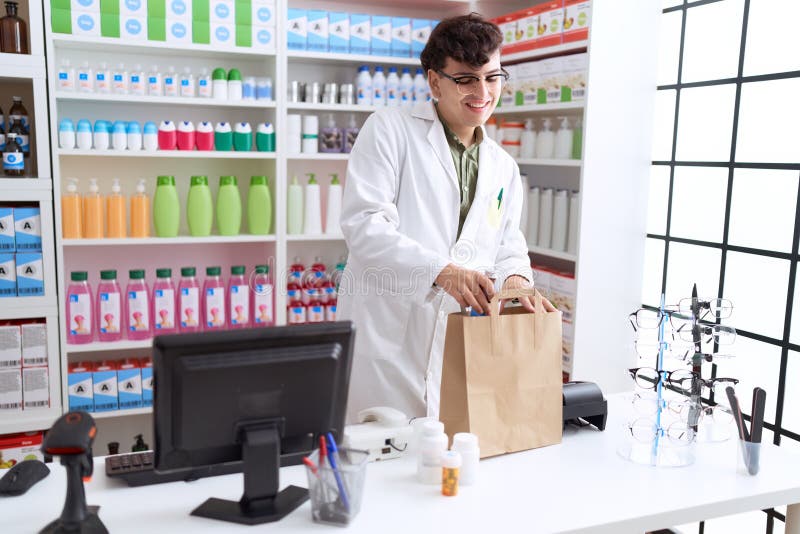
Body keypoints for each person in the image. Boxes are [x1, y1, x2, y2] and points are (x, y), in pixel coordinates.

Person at [338, 13, 555, 422]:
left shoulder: (503, 166)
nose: (482, 92)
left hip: (460, 338)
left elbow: (508, 242)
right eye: (466, 79)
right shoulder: (389, 130)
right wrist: (442, 271)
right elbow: (365, 225)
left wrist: (515, 278)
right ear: (435, 82)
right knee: (382, 446)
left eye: (492, 77)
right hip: (390, 339)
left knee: (450, 449)